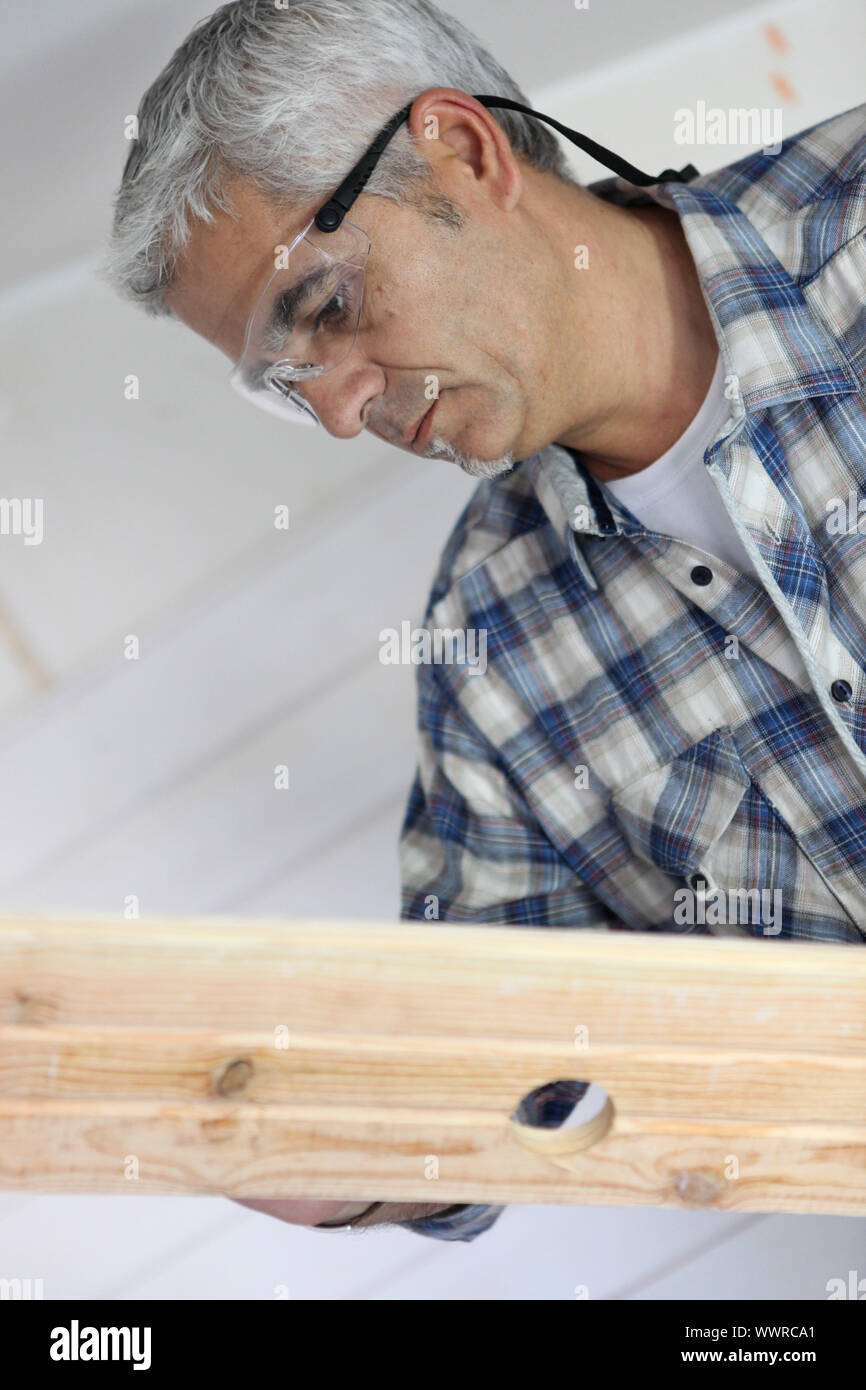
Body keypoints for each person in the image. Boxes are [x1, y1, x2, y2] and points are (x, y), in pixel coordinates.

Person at [102, 0, 866, 1245]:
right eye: (289, 386)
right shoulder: (495, 661)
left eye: (328, 309)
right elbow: (497, 1076)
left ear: (463, 149)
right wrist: (312, 1149)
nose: (345, 412)